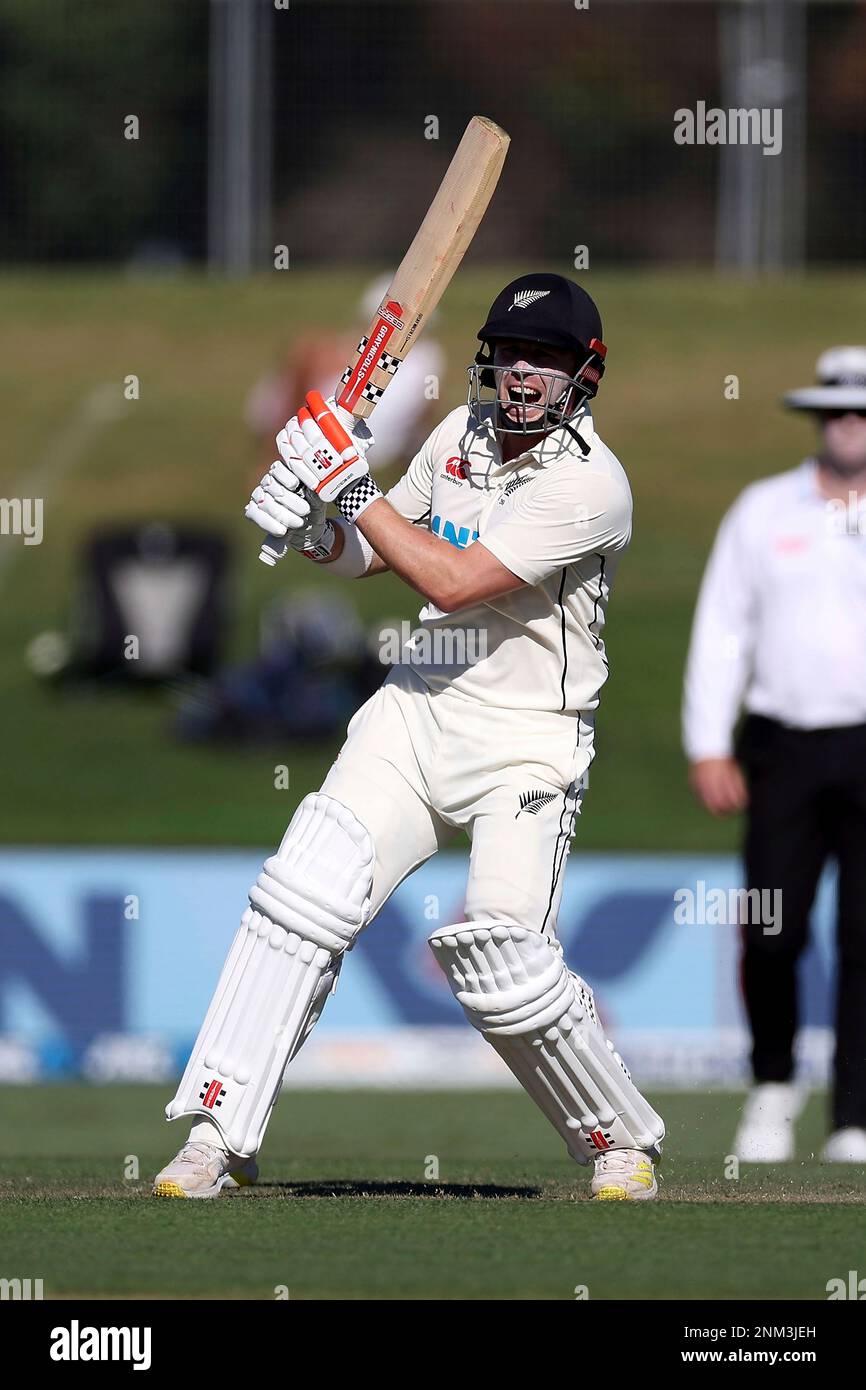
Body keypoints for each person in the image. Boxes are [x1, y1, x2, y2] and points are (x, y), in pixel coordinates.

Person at [153, 273, 665, 1201]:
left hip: (526, 741)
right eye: (511, 354)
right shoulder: (456, 437)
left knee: (501, 957)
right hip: (416, 708)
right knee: (302, 893)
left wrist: (349, 483)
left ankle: (616, 1138)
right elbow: (376, 554)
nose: (521, 375)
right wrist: (316, 521)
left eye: (545, 361)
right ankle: (217, 1133)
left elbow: (454, 582)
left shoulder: (593, 484)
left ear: (584, 375)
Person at [683, 347, 866, 1163]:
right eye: (836, 411)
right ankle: (772, 1090)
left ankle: (856, 1115)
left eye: (861, 412)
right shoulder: (763, 509)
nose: (849, 425)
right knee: (773, 927)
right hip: (784, 745)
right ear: (816, 419)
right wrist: (707, 743)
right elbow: (723, 630)